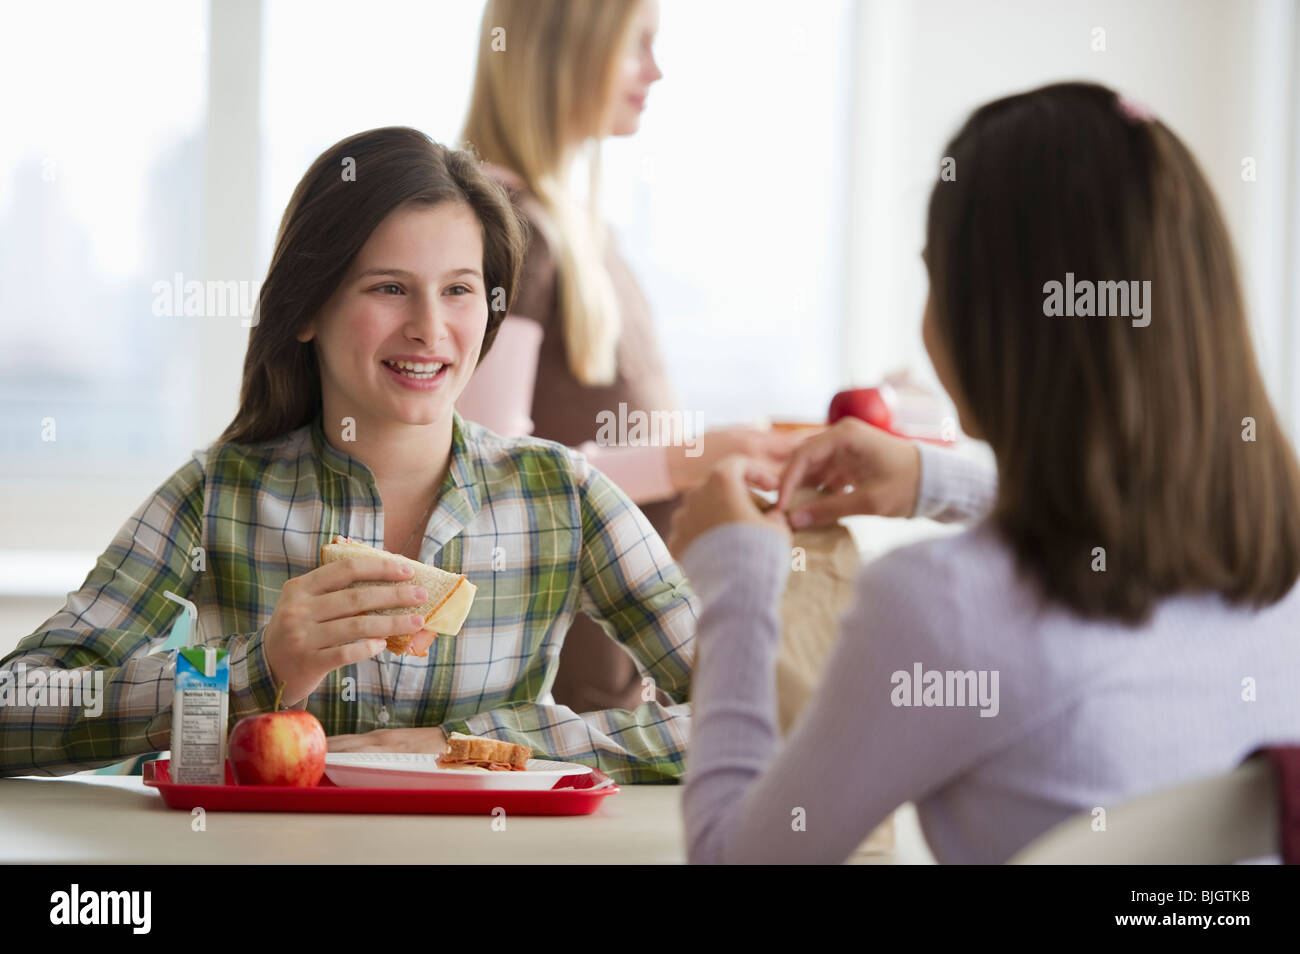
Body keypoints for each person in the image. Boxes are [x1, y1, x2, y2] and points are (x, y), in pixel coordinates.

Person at [668, 82, 1300, 863]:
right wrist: (938, 483)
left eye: (936, 277)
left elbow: (736, 858)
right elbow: (1116, 536)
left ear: (995, 318)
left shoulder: (938, 609)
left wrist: (734, 583)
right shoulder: (1270, 560)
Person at [0, 126, 696, 783]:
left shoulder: (562, 495)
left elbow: (738, 718)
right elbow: (15, 705)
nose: (430, 329)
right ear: (307, 310)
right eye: (389, 288)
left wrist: (491, 742)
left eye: (457, 290)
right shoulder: (217, 494)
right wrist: (257, 667)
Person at [455, 0, 800, 713]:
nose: (657, 71)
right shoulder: (506, 229)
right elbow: (489, 468)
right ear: (564, 49)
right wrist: (687, 461)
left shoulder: (576, 230)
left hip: (623, 649)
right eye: (635, 45)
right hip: (568, 667)